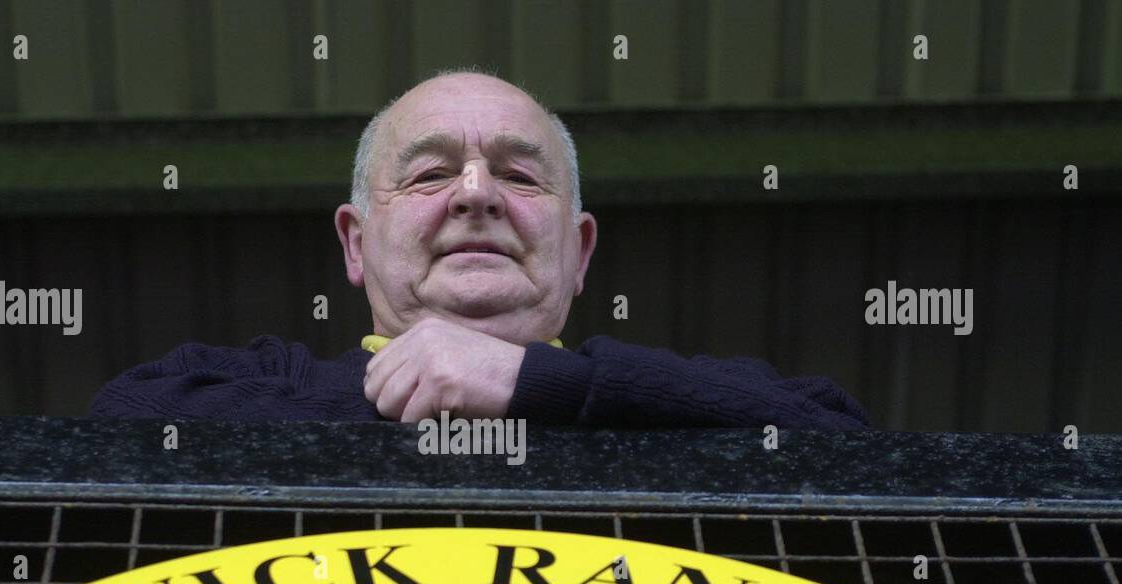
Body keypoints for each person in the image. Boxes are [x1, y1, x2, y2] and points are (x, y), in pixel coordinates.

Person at [91, 68, 868, 430]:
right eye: (430, 174)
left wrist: (541, 385)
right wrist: (406, 393)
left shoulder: (695, 393)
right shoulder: (266, 382)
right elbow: (118, 421)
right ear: (356, 244)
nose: (475, 193)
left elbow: (842, 437)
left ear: (579, 250)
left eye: (520, 176)